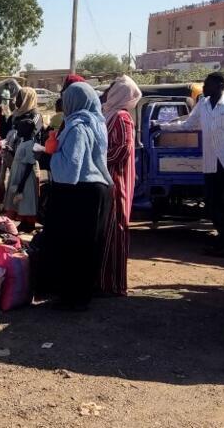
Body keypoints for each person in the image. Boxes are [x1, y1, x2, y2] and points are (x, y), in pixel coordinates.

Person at [155, 72, 224, 255]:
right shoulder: (202, 105)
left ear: (219, 85)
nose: (203, 88)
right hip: (211, 162)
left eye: (207, 84)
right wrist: (162, 126)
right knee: (212, 202)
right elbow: (188, 125)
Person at [46, 82, 113, 310]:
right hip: (97, 191)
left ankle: (71, 299)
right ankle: (81, 297)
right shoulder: (97, 122)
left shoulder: (77, 127)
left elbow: (71, 166)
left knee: (73, 247)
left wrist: (49, 157)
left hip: (80, 193)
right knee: (88, 247)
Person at [99, 75, 142, 296]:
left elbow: (121, 150)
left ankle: (113, 284)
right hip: (108, 178)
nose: (106, 92)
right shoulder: (109, 115)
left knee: (116, 229)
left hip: (116, 181)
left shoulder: (122, 117)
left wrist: (96, 158)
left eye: (111, 88)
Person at [4, 119, 39, 232]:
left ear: (26, 130)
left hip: (25, 177)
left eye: (20, 127)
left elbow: (29, 164)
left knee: (26, 200)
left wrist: (22, 183)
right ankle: (24, 222)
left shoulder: (30, 144)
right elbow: (20, 158)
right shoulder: (23, 142)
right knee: (21, 201)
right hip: (19, 173)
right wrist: (11, 151)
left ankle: (28, 224)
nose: (17, 129)